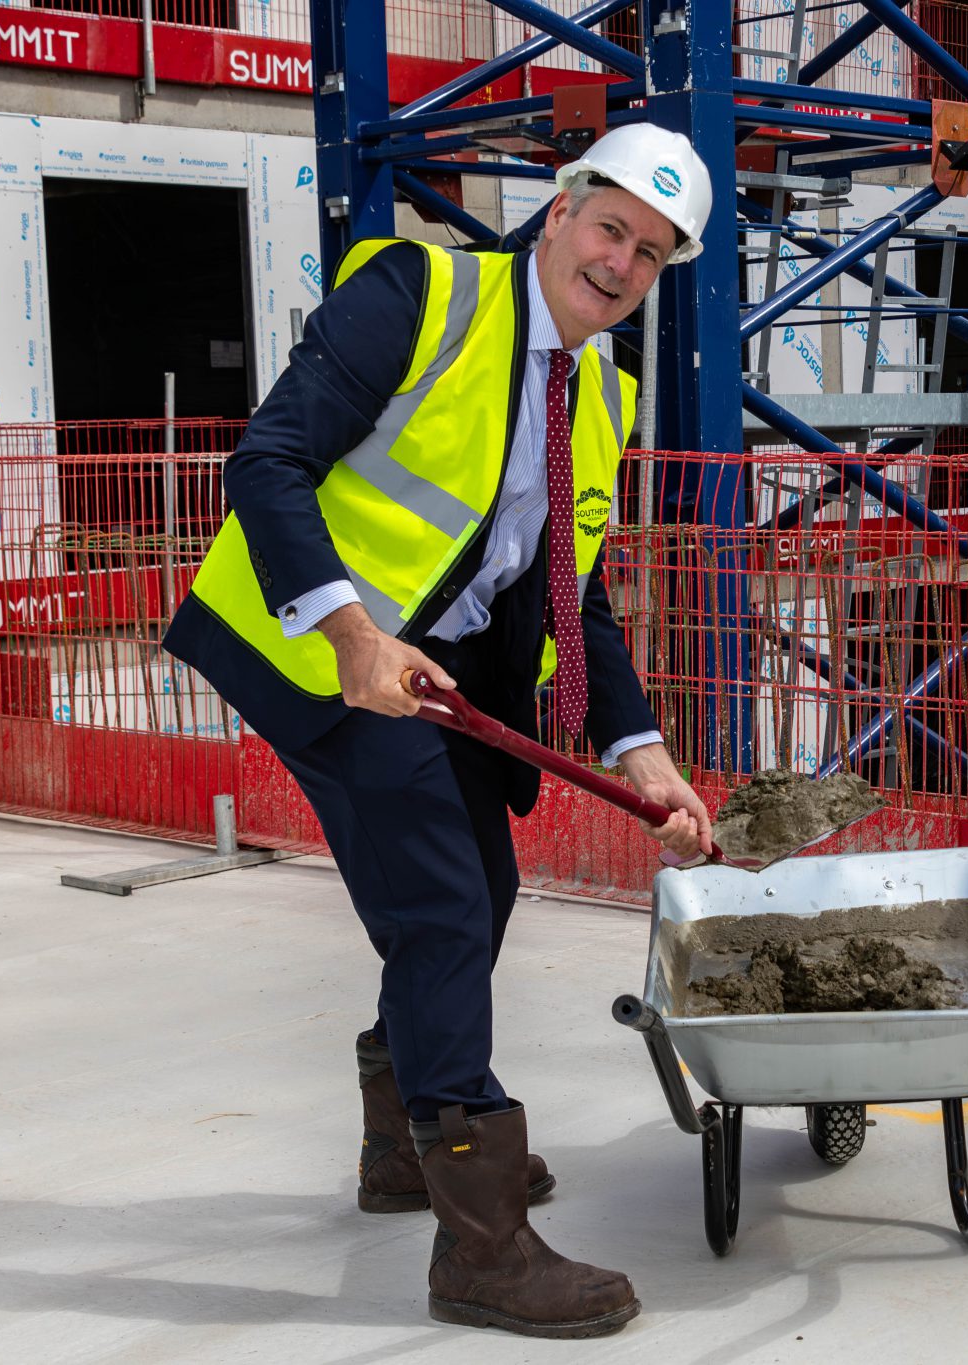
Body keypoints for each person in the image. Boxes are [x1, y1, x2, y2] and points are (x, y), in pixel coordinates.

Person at [163, 123, 715, 1339]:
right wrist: (349, 634)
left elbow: (573, 597)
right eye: (610, 228)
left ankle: (402, 1145)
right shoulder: (424, 295)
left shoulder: (600, 393)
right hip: (324, 645)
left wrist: (643, 753)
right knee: (443, 909)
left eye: (650, 252)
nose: (621, 263)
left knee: (483, 890)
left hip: (441, 666)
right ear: (559, 213)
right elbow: (267, 463)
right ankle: (480, 1248)